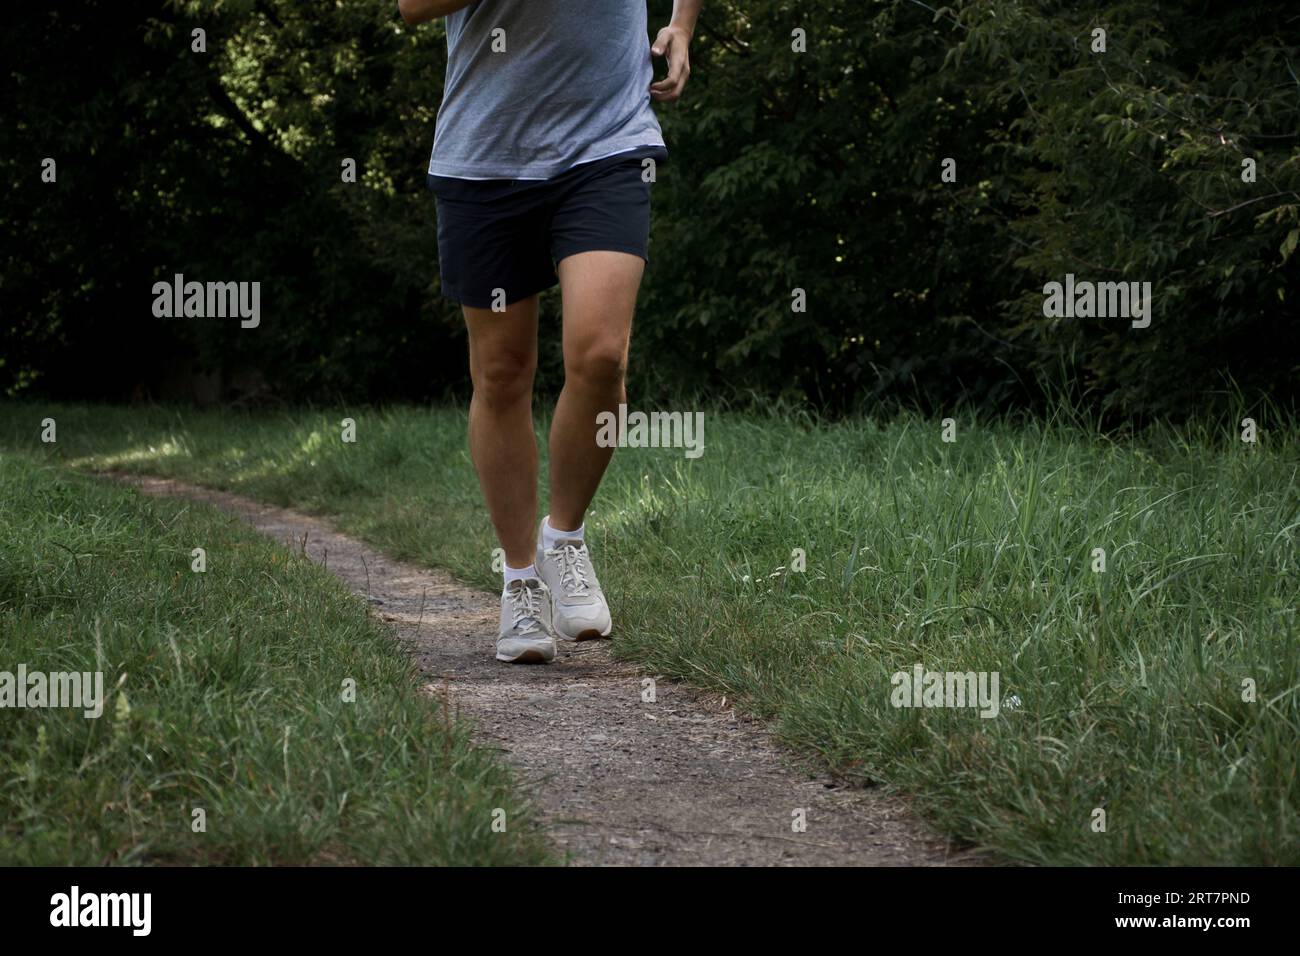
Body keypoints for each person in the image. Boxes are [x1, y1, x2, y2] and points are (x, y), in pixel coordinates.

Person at [398, 0, 701, 662]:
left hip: (606, 144)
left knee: (601, 354)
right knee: (502, 372)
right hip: (486, 153)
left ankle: (564, 537)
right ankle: (520, 580)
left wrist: (683, 21)